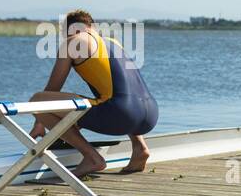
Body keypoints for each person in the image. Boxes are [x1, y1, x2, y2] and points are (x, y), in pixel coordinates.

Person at [29, 10, 159, 179]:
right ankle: (140, 148)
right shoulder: (114, 43)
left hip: (121, 115)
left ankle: (92, 158)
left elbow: (52, 90)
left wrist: (40, 121)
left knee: (37, 100)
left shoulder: (72, 42)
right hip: (150, 114)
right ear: (93, 27)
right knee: (117, 94)